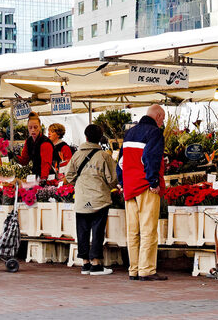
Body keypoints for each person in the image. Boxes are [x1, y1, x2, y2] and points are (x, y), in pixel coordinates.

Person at [64, 124, 118, 275]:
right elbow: (113, 179)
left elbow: (68, 175)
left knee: (82, 230)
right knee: (97, 230)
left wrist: (80, 183)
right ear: (100, 138)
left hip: (82, 198)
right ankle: (96, 263)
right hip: (99, 198)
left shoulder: (76, 155)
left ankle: (85, 263)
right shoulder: (104, 156)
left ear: (86, 137)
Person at [120, 104, 167, 281]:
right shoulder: (154, 132)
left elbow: (121, 162)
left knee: (133, 231)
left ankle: (133, 269)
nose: (163, 123)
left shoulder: (130, 133)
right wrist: (153, 181)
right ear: (159, 116)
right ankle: (146, 270)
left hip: (130, 187)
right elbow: (151, 157)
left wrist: (122, 182)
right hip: (145, 186)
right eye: (163, 119)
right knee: (148, 229)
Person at [15, 113, 52, 180]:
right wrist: (15, 157)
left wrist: (44, 178)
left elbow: (46, 163)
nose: (33, 130)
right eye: (30, 127)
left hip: (48, 176)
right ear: (27, 127)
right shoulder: (28, 141)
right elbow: (24, 161)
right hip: (36, 174)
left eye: (35, 127)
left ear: (40, 127)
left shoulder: (45, 142)